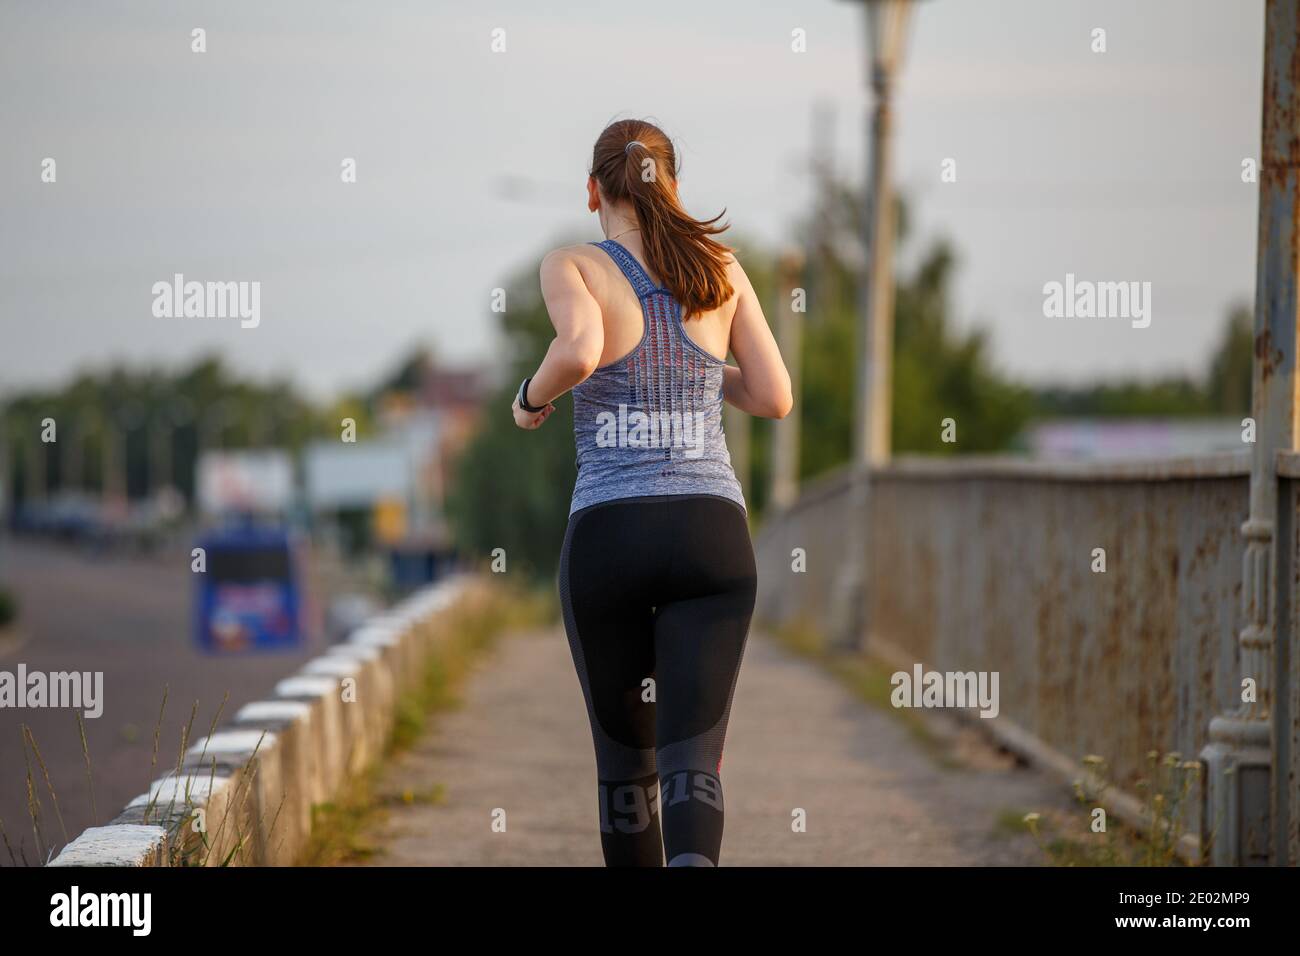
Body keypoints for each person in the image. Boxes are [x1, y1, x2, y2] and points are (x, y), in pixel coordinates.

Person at [512, 118, 793, 866]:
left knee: (625, 773)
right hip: (711, 538)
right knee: (691, 765)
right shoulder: (722, 268)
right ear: (671, 187)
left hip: (612, 537)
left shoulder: (573, 263)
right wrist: (701, 372)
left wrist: (530, 397)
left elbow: (580, 351)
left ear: (593, 191)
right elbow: (773, 395)